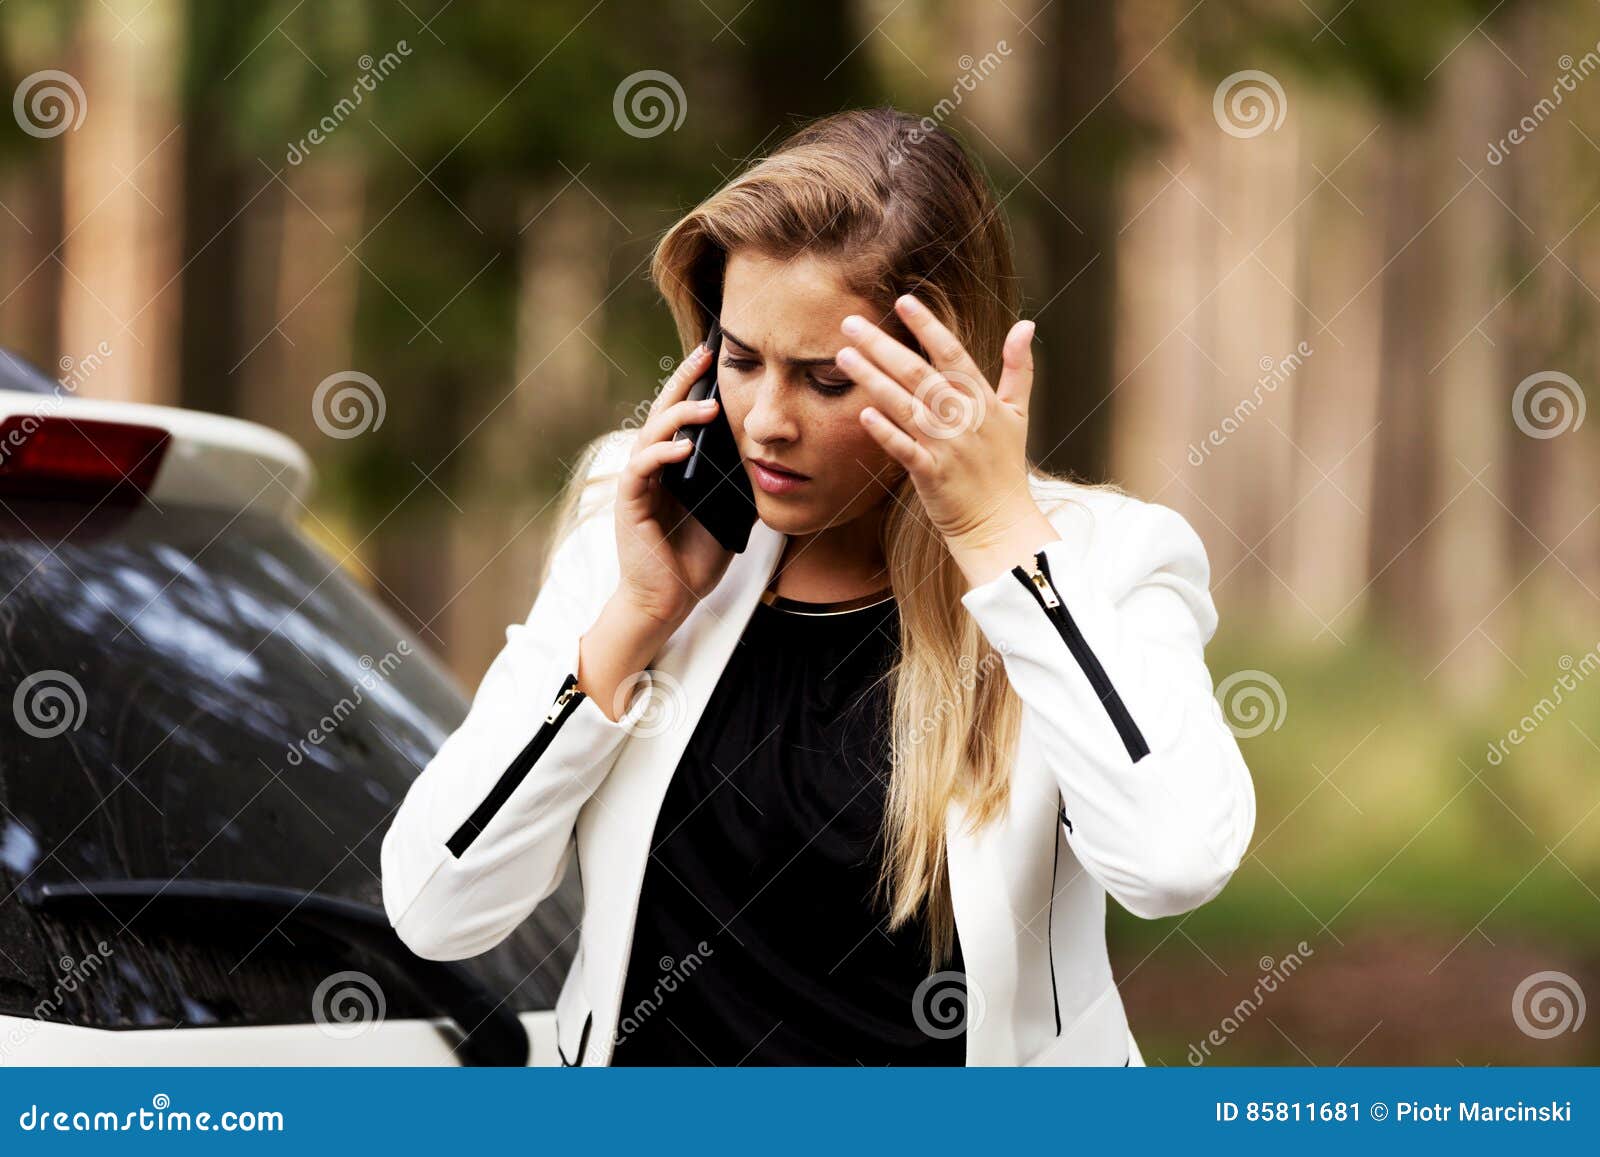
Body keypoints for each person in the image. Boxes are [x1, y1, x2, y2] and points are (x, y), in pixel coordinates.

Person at [380, 107, 1256, 1067]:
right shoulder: (642, 515)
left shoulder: (1098, 560)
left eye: (824, 381)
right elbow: (436, 906)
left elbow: (1176, 861)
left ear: (940, 370)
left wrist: (1000, 541)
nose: (763, 421)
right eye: (742, 361)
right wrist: (634, 620)